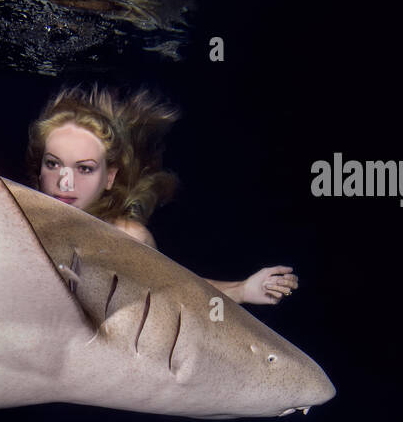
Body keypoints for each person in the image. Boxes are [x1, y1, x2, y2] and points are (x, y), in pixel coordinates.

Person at [26, 85, 297, 305]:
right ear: (39, 167)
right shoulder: (16, 213)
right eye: (53, 164)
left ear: (109, 177)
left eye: (84, 168)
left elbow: (173, 290)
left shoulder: (128, 237)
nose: (64, 181)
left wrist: (242, 289)